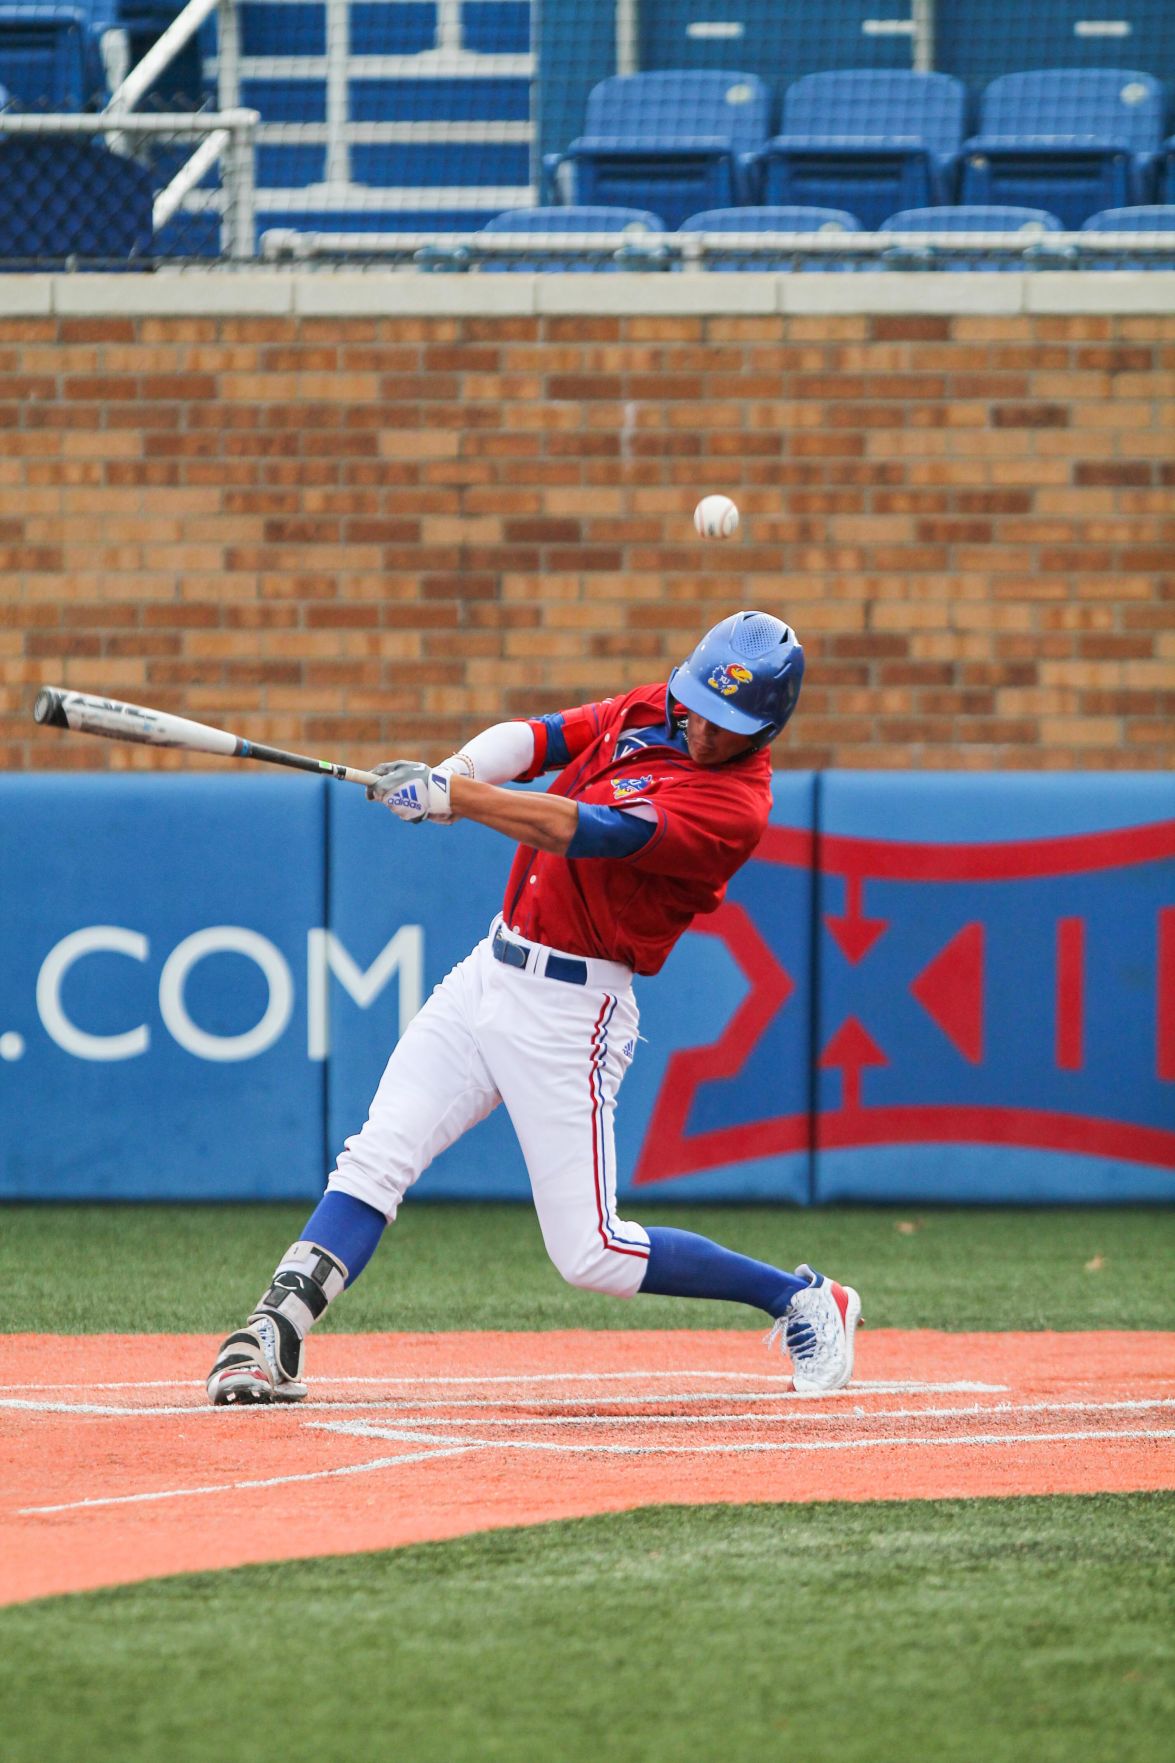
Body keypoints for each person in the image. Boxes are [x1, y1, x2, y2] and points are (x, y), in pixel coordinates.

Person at [206, 610, 860, 1407]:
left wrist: (459, 797)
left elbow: (576, 827)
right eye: (697, 707)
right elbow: (538, 736)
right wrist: (454, 771)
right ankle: (273, 1329)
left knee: (592, 1253)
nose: (700, 729)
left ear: (763, 729)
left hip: (571, 1014)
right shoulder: (657, 708)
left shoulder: (732, 808)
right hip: (490, 970)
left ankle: (800, 1298)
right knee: (377, 1154)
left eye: (726, 725)